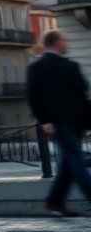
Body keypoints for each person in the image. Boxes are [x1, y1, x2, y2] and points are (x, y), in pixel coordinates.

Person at [26, 29, 91, 217]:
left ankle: (54, 201)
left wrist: (44, 119)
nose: (67, 45)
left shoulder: (37, 67)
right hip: (66, 122)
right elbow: (82, 92)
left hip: (60, 122)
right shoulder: (70, 66)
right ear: (54, 43)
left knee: (68, 161)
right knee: (76, 158)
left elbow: (33, 97)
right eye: (64, 41)